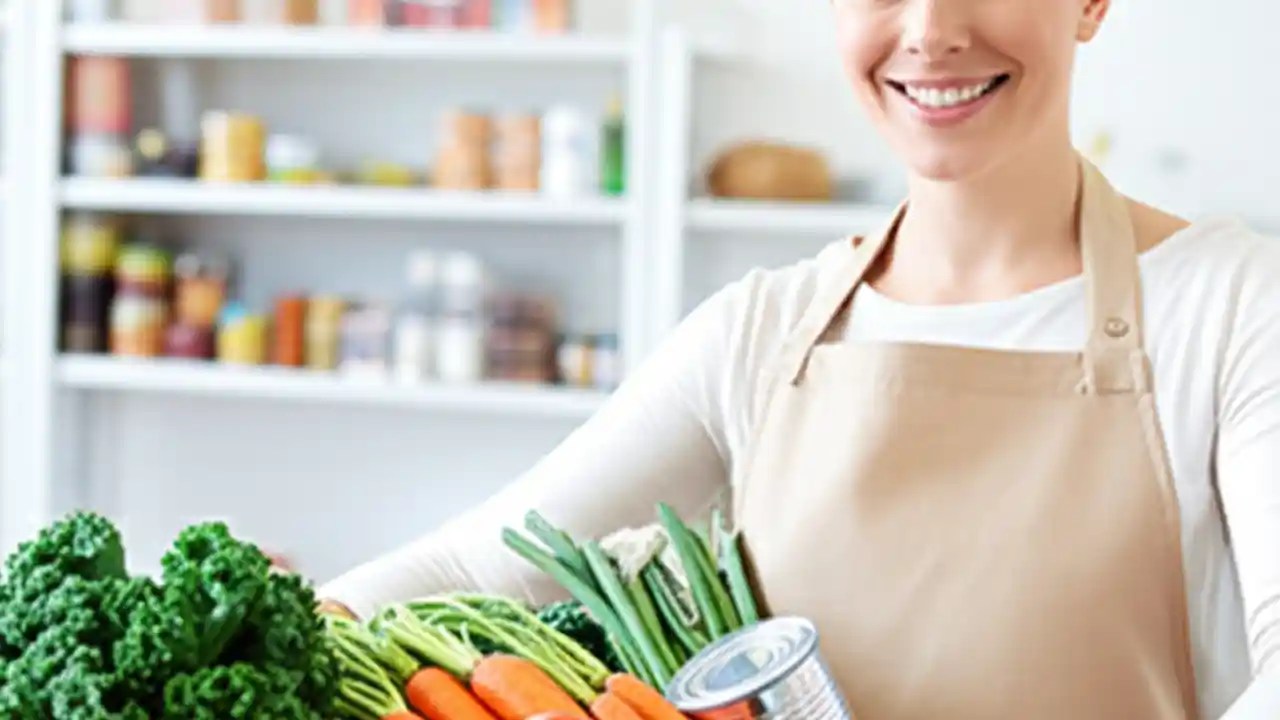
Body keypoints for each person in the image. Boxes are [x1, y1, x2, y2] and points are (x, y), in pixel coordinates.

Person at [319, 0, 1280, 717]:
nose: (931, 29)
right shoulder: (759, 334)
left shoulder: (1230, 304)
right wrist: (271, 631)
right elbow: (476, 566)